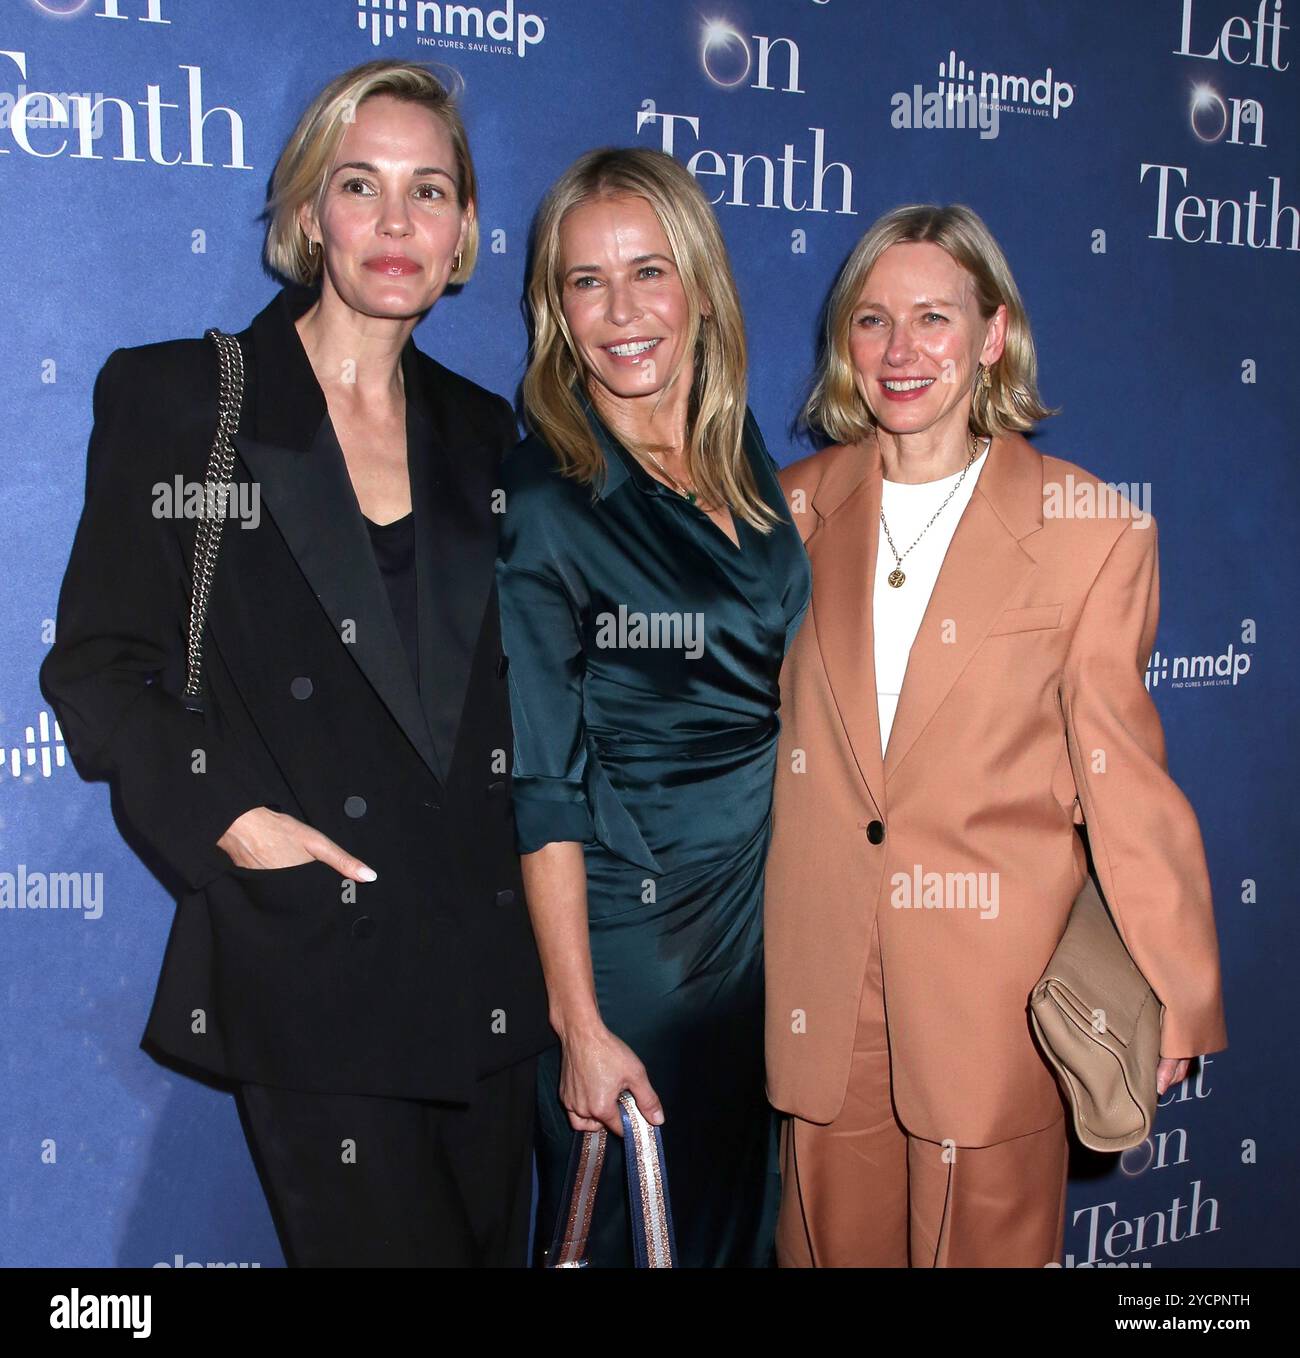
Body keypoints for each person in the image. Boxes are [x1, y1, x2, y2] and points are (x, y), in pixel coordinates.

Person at [39, 59, 551, 1267]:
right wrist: (234, 821)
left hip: (487, 966)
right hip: (321, 953)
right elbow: (102, 668)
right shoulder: (182, 395)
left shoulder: (486, 429)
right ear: (308, 210)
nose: (393, 222)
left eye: (429, 192)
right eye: (360, 185)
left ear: (466, 229)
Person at [765, 203, 1228, 1267]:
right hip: (822, 986)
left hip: (993, 997)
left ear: (993, 335)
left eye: (934, 316)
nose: (899, 349)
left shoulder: (1091, 530)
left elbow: (1121, 773)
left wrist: (1172, 982)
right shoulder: (781, 516)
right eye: (871, 320)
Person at [496, 147, 811, 1267]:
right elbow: (541, 784)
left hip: (763, 944)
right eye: (585, 280)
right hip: (641, 958)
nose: (620, 310)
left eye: (648, 271)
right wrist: (579, 1026)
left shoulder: (743, 464)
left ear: (699, 287)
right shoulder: (552, 502)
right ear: (554, 306)